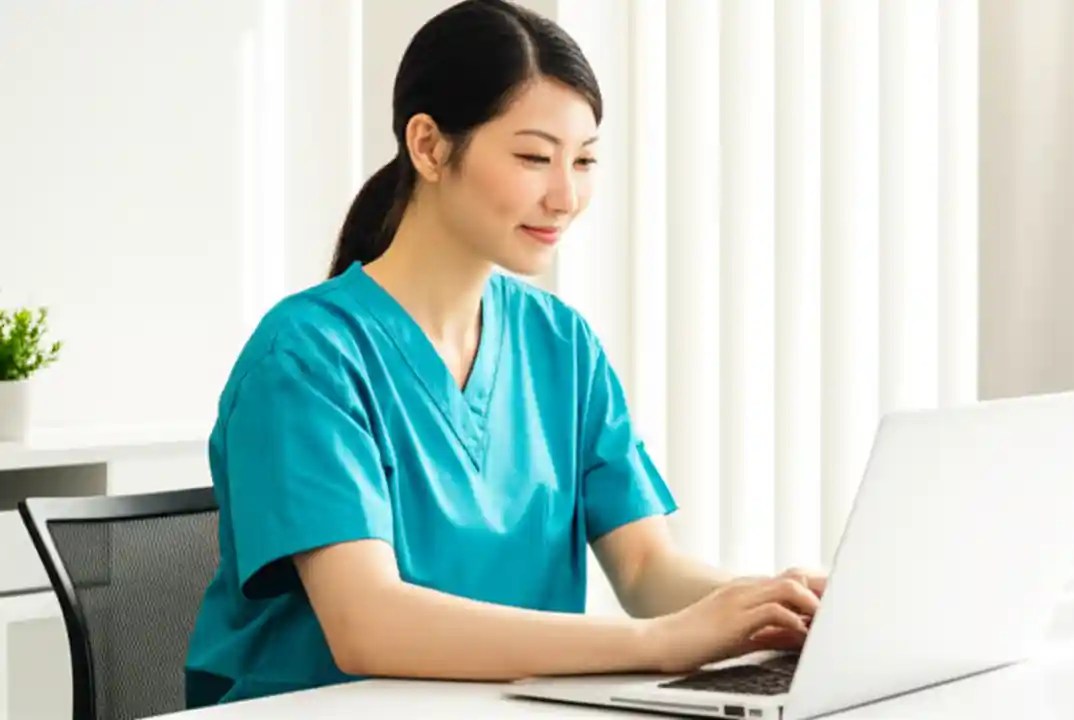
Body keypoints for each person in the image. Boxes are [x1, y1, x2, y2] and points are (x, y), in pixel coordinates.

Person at [184, 0, 825, 708]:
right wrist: (662, 643)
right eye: (532, 157)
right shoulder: (306, 356)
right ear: (428, 147)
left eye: (584, 161)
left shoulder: (562, 344)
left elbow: (645, 568)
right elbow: (367, 625)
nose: (566, 195)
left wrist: (769, 604)